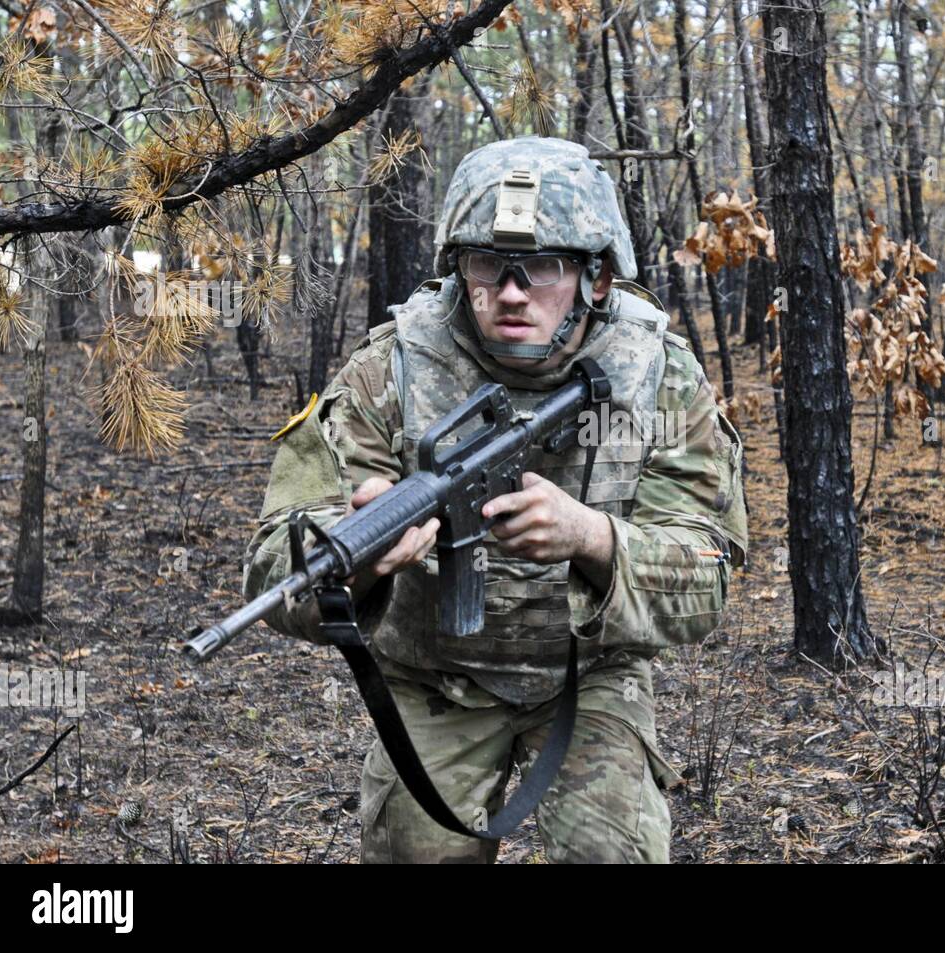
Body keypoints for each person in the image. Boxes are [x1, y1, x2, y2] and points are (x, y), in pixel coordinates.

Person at [243, 136, 747, 863]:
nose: (512, 291)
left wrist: (594, 539)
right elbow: (270, 568)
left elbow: (707, 577)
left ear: (596, 278)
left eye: (542, 265)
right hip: (434, 679)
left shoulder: (655, 378)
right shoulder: (394, 368)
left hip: (590, 674)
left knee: (614, 853)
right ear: (458, 269)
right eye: (489, 264)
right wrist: (356, 554)